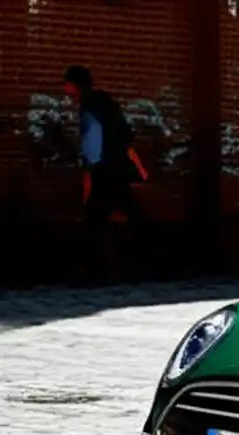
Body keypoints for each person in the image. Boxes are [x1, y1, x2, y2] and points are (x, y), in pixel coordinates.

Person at [62, 65, 147, 280]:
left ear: (75, 85)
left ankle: (98, 271)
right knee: (130, 216)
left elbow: (93, 145)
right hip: (117, 169)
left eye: (67, 84)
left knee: (95, 222)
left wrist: (89, 177)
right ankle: (140, 266)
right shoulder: (108, 103)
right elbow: (126, 135)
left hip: (103, 172)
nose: (65, 89)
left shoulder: (89, 106)